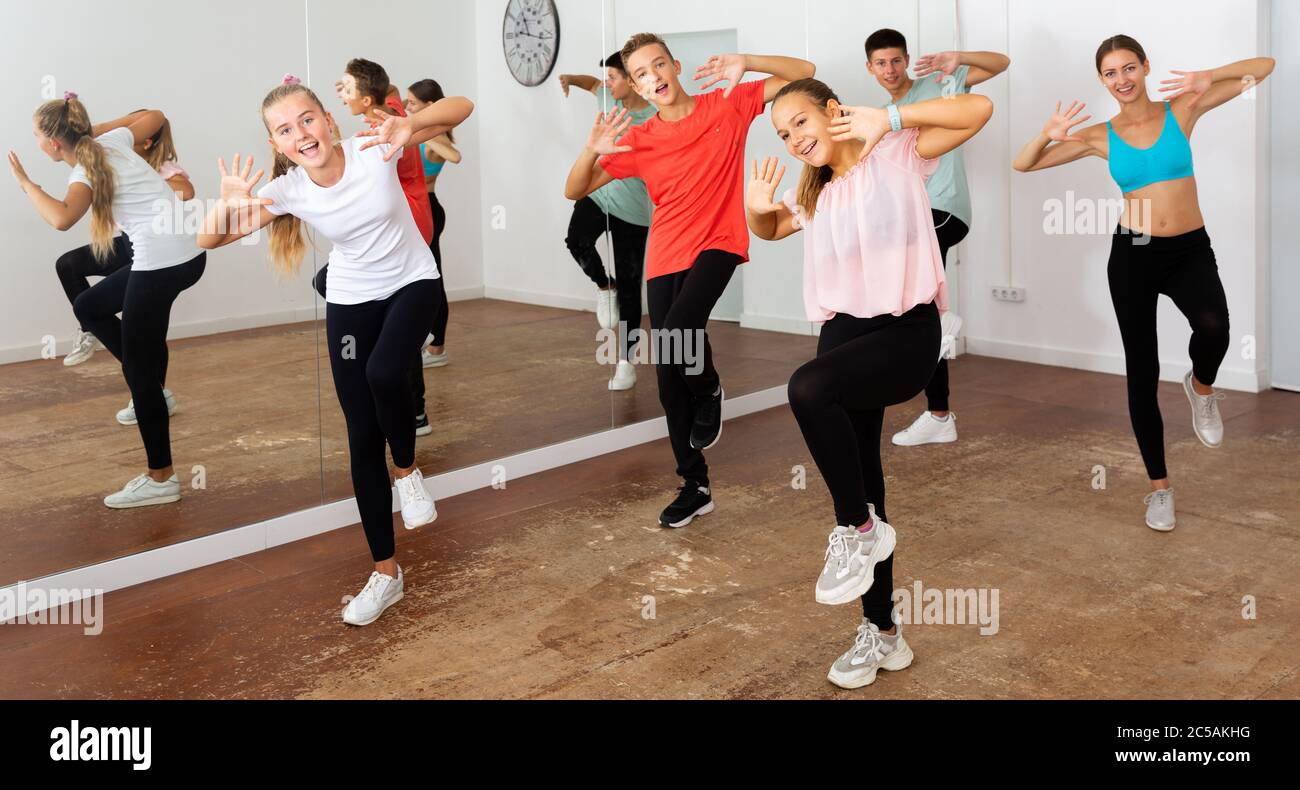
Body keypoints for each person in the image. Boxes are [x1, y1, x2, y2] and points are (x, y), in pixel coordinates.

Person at [197, 76, 473, 625]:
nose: (300, 133)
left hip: (413, 282)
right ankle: (386, 574)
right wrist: (225, 205)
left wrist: (410, 124)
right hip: (350, 300)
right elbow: (210, 240)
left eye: (306, 119)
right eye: (285, 129)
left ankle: (409, 471)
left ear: (327, 120)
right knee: (359, 436)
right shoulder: (289, 190)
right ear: (277, 145)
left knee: (386, 372)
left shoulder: (375, 147)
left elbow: (462, 108)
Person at [747, 77, 992, 689]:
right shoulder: (818, 192)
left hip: (905, 332)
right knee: (862, 476)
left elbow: (979, 108)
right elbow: (768, 231)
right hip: (843, 335)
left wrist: (890, 115)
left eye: (800, 123)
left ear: (834, 111)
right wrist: (756, 203)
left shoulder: (898, 151)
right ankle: (883, 633)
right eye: (782, 134)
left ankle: (858, 530)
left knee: (806, 389)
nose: (794, 139)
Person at [1013, 35, 1274, 531]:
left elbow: (1264, 66)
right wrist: (1046, 133)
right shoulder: (1097, 135)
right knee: (1142, 370)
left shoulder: (1184, 108)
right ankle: (1160, 489)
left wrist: (1208, 75)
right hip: (1133, 255)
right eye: (1111, 73)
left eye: (1129, 68)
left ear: (1145, 67)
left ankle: (1201, 388)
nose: (1122, 80)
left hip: (1189, 249)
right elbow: (1024, 164)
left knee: (1214, 327)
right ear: (1102, 80)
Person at [566, 33, 815, 527]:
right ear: (635, 84)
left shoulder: (727, 103)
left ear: (675, 66)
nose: (653, 77)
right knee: (666, 375)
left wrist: (751, 59)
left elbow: (802, 72)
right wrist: (591, 150)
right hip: (665, 254)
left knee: (680, 328)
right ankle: (695, 485)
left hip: (720, 240)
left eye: (658, 65)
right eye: (640, 73)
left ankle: (710, 388)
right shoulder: (638, 138)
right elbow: (574, 188)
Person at [9, 97, 206, 509]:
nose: (36, 142)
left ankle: (161, 477)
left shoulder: (86, 168)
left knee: (138, 369)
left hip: (160, 263)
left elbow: (62, 218)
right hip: (187, 255)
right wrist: (89, 131)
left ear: (50, 144)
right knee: (89, 307)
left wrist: (27, 184)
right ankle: (151, 387)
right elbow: (156, 115)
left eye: (37, 135)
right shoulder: (113, 141)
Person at [862, 28, 1010, 447]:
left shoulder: (938, 84)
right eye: (881, 63)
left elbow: (1001, 63)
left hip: (943, 209)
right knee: (921, 308)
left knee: (923, 305)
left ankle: (940, 345)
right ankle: (939, 412)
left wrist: (957, 57)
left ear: (907, 60)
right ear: (870, 68)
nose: (890, 69)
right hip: (912, 217)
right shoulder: (880, 117)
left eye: (896, 60)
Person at [58, 115, 195, 367]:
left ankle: (147, 378)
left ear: (146, 142)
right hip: (127, 241)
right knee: (68, 264)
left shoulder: (157, 166)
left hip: (153, 247)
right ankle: (92, 332)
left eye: (134, 133)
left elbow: (187, 192)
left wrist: (147, 183)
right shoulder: (111, 158)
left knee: (151, 331)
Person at [559, 52, 654, 390]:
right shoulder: (608, 94)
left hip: (633, 209)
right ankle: (603, 285)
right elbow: (591, 84)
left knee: (632, 287)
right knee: (576, 241)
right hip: (598, 193)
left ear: (632, 80)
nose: (605, 84)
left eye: (612, 78)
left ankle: (626, 362)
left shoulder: (655, 115)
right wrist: (571, 77)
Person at [406, 78, 462, 370]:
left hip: (428, 209)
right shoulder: (415, 130)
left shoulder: (434, 138)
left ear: (430, 107)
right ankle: (430, 340)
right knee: (424, 277)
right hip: (418, 211)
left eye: (412, 103)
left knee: (432, 279)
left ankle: (436, 346)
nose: (407, 107)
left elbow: (455, 155)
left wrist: (425, 134)